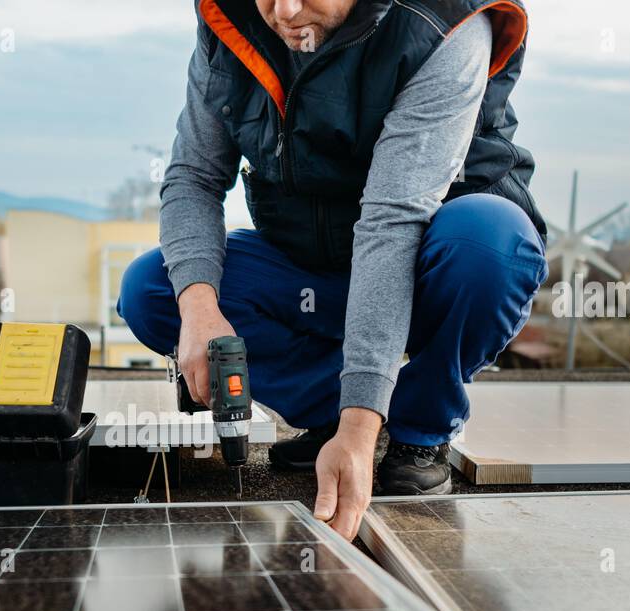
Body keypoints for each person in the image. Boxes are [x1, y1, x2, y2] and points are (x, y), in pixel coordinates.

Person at [117, 0, 549, 540]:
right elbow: (194, 178)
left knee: (491, 245)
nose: (287, 10)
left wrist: (361, 423)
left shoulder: (447, 24)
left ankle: (418, 429)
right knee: (155, 289)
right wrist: (200, 308)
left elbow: (393, 217)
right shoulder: (227, 22)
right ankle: (329, 415)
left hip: (427, 264)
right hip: (315, 274)